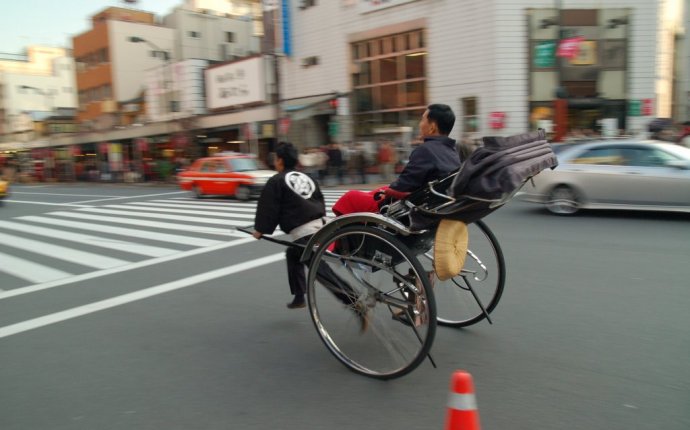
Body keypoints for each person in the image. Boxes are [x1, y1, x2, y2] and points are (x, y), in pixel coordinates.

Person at [332, 103, 462, 216]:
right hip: (431, 202)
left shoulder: (426, 150)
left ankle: (341, 241)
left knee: (350, 197)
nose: (420, 124)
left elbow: (401, 187)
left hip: (404, 206)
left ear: (432, 126)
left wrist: (388, 191)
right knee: (377, 190)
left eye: (422, 120)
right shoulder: (452, 151)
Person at [253, 142, 327, 309]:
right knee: (293, 254)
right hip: (321, 225)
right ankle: (299, 297)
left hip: (304, 232)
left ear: (279, 160)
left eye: (275, 159)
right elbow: (319, 199)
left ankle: (352, 300)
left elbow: (269, 208)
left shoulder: (277, 180)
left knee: (321, 270)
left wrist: (260, 230)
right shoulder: (308, 177)